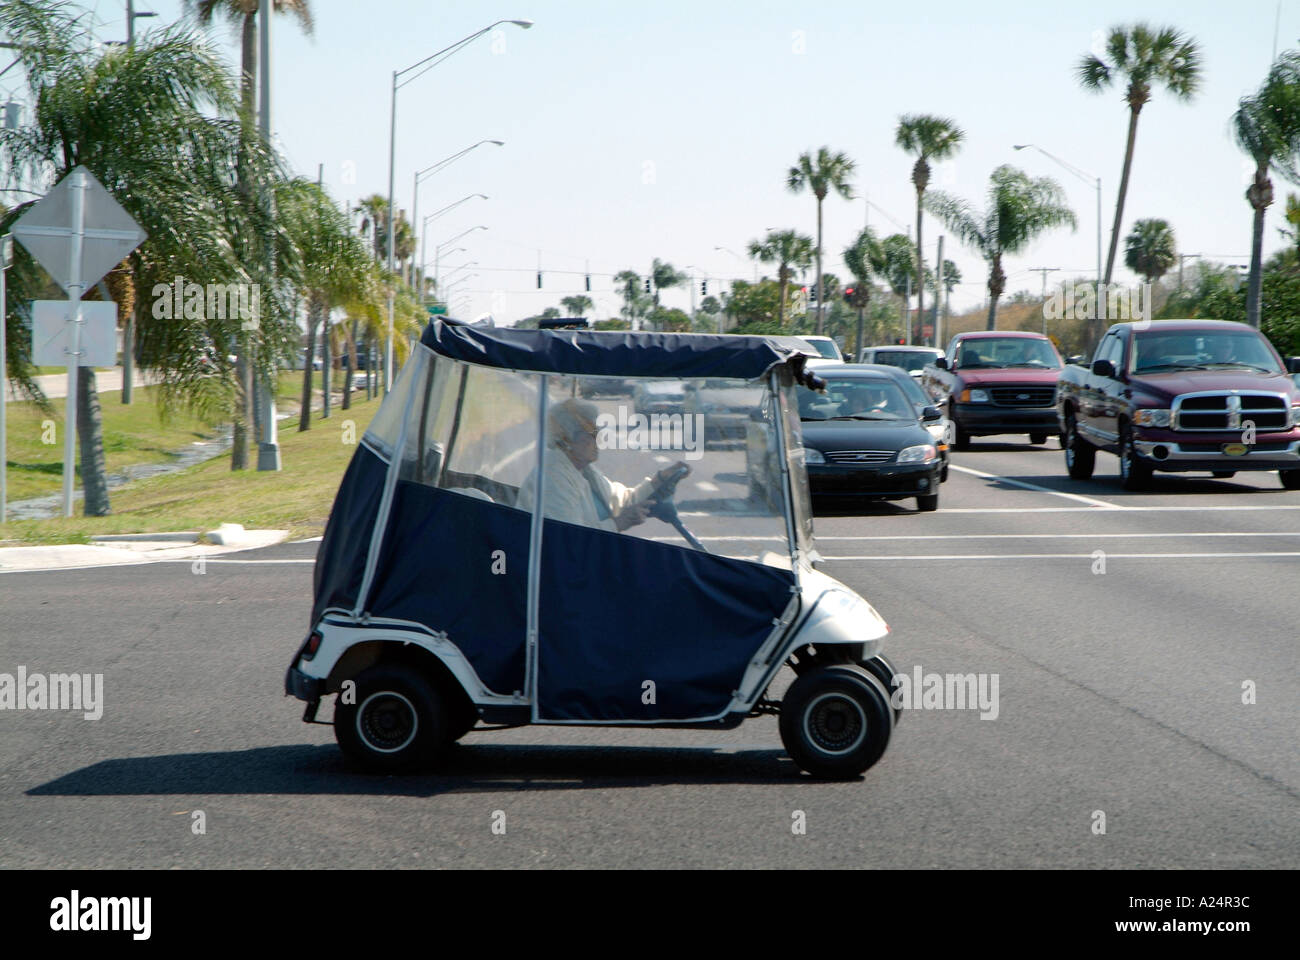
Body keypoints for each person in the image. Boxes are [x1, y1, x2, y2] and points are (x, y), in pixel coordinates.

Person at [516, 397, 689, 532]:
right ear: (567, 439)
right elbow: (567, 537)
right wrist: (618, 524)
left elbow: (621, 501)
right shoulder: (552, 478)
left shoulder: (585, 471)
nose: (599, 439)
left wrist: (658, 480)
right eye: (592, 433)